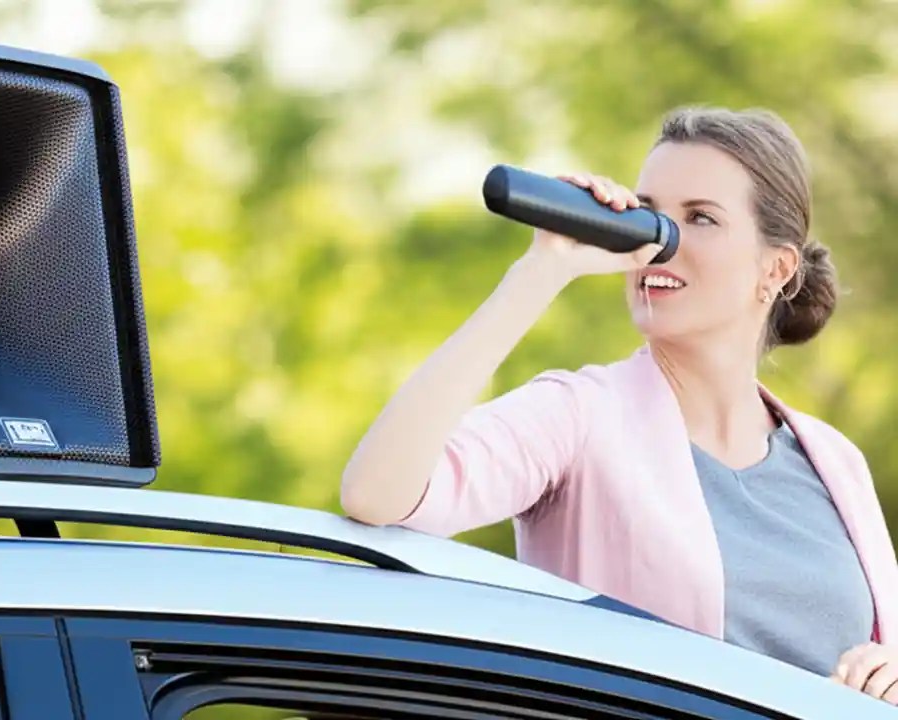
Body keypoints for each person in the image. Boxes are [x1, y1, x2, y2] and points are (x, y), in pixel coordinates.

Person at [339, 106, 898, 703]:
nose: (659, 244)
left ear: (777, 268)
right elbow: (376, 494)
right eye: (649, 215)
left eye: (699, 219)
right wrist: (542, 269)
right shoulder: (578, 417)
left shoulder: (832, 461)